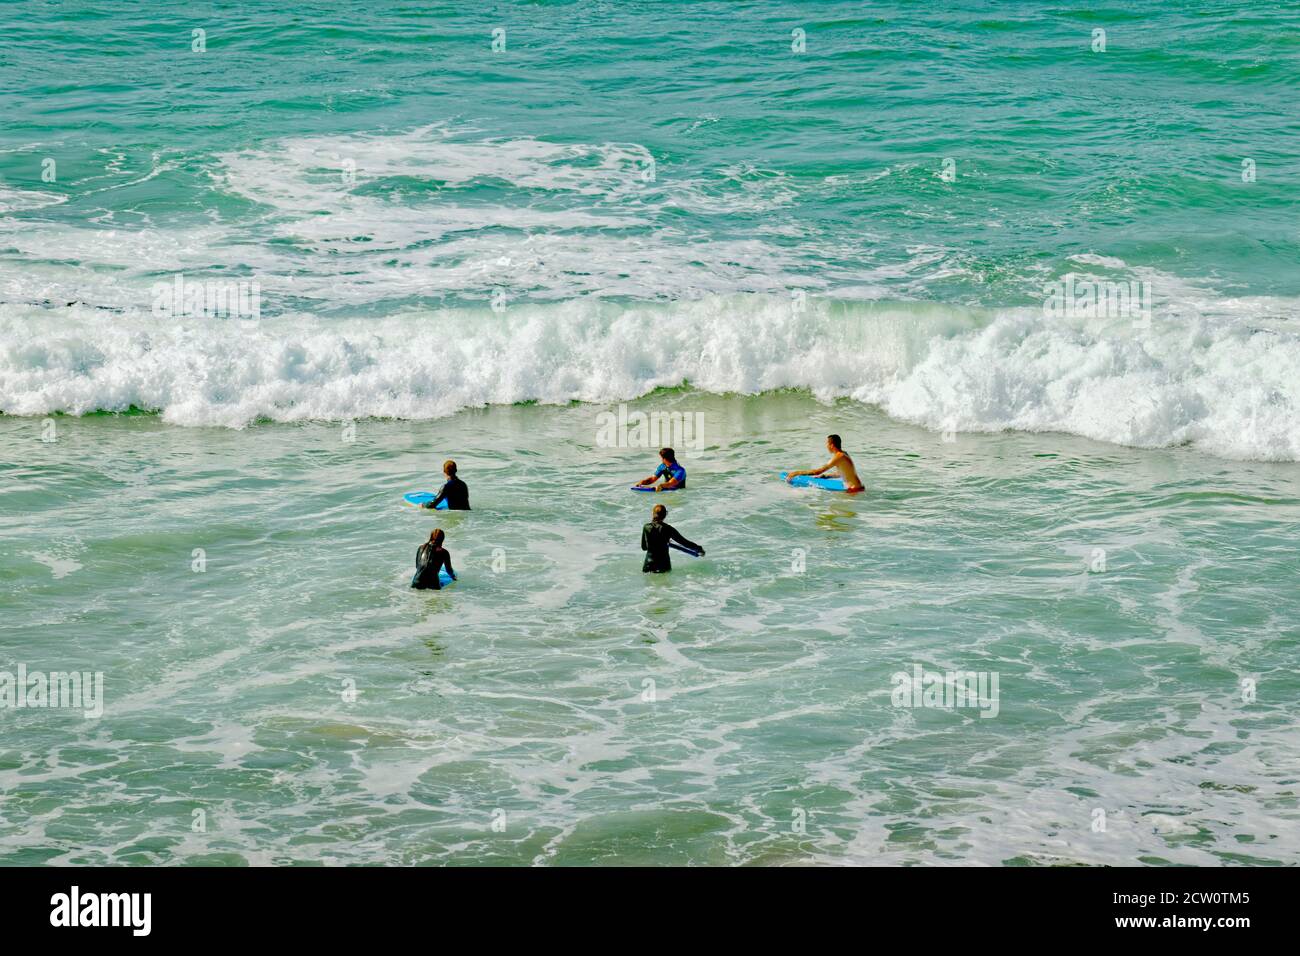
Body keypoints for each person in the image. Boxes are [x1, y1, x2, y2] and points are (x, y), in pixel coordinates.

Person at [785, 434, 865, 492]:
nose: (826, 446)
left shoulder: (838, 457)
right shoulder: (844, 454)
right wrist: (825, 476)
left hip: (853, 490)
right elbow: (842, 473)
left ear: (832, 445)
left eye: (827, 443)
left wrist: (797, 473)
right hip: (859, 488)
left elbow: (817, 471)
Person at [641, 503, 703, 573]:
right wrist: (699, 549)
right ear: (665, 515)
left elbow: (644, 548)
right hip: (663, 565)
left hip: (649, 565)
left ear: (653, 514)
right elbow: (684, 542)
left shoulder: (646, 527)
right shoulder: (668, 529)